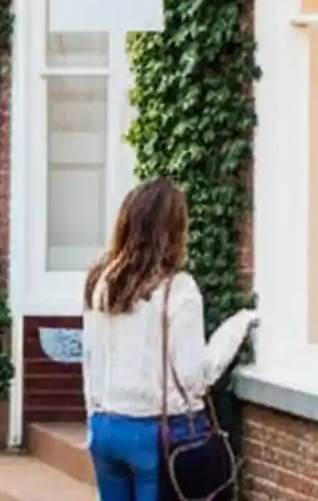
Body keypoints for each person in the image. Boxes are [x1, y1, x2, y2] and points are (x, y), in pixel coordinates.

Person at [82, 177, 258, 501]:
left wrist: (95, 422)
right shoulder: (178, 288)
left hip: (105, 427)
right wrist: (238, 326)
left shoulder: (100, 281)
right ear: (173, 231)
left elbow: (90, 361)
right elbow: (194, 377)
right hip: (156, 434)